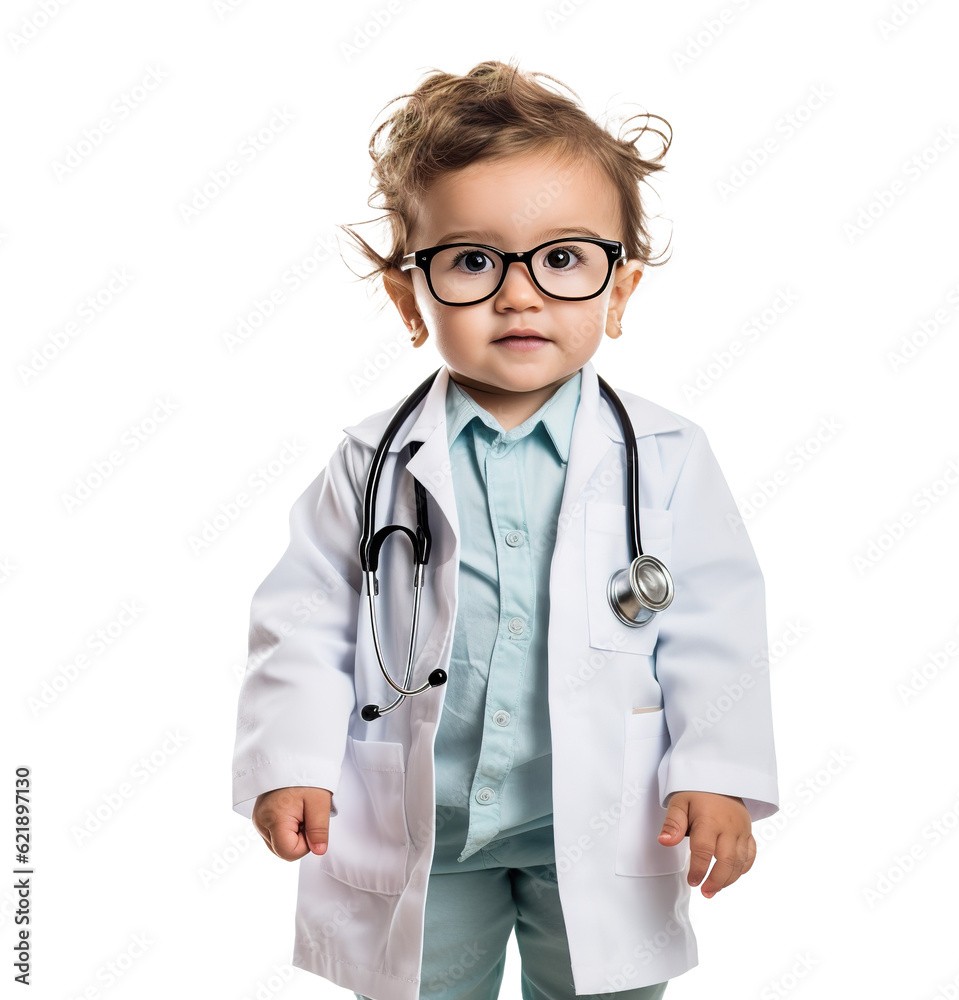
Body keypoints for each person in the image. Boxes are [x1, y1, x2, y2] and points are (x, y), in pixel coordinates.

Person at [231, 58, 780, 1000]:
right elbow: (304, 625)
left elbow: (717, 633)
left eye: (563, 258)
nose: (519, 293)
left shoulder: (670, 456)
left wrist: (719, 773)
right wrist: (291, 763)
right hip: (421, 821)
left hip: (608, 817)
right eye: (474, 260)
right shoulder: (370, 465)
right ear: (412, 299)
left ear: (620, 290)